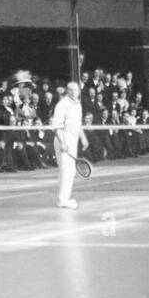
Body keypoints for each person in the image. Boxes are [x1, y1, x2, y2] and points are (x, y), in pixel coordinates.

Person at [52, 81, 88, 210]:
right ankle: (63, 200)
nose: (73, 92)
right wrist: (63, 143)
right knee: (66, 171)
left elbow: (78, 124)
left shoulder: (78, 104)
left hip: (73, 142)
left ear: (79, 91)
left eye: (76, 90)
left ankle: (63, 198)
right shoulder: (62, 105)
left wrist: (83, 138)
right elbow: (57, 126)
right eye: (71, 90)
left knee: (70, 171)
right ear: (67, 91)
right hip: (63, 140)